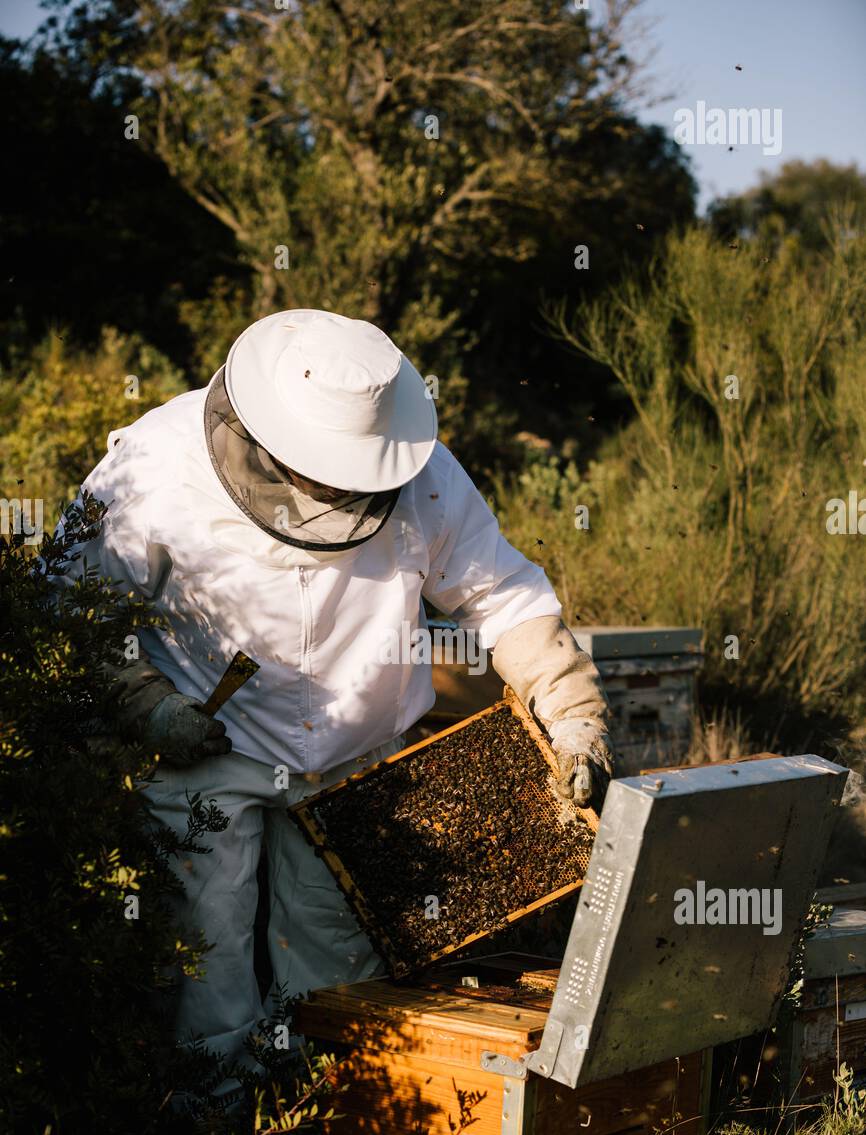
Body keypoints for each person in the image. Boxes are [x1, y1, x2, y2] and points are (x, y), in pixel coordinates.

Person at [58, 309, 613, 1090]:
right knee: (203, 960)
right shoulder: (153, 465)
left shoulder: (426, 478)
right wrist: (145, 704)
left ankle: (316, 1134)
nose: (333, 492)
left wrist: (572, 711)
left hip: (356, 762)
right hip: (204, 745)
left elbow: (507, 596)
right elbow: (74, 604)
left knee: (336, 976)